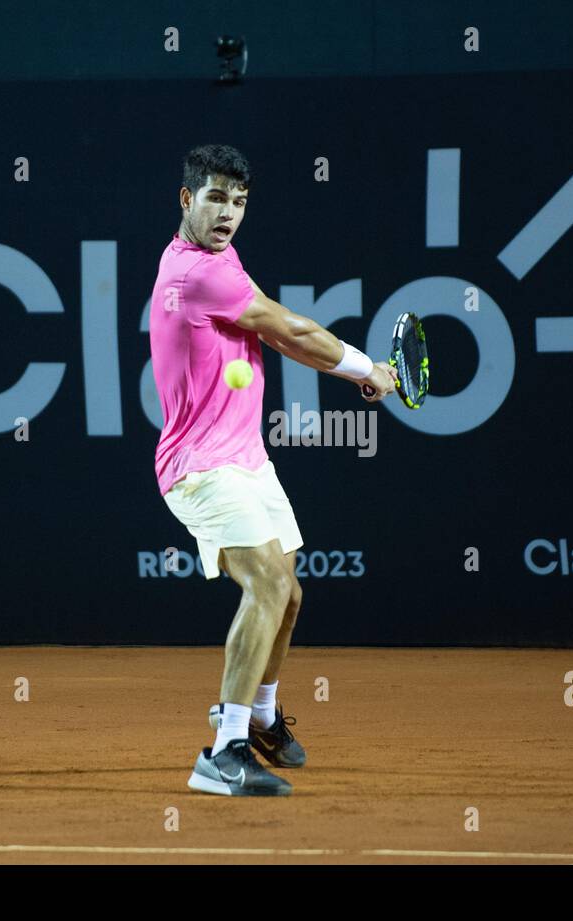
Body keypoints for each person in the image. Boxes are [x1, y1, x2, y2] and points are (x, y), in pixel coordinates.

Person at [149, 144, 397, 796]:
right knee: (263, 582)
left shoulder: (220, 259)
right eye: (215, 199)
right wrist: (367, 368)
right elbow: (289, 324)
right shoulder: (196, 272)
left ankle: (259, 717)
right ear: (186, 199)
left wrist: (348, 371)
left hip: (246, 458)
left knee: (288, 593)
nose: (228, 212)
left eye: (238, 201)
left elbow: (282, 334)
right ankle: (223, 751)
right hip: (199, 466)